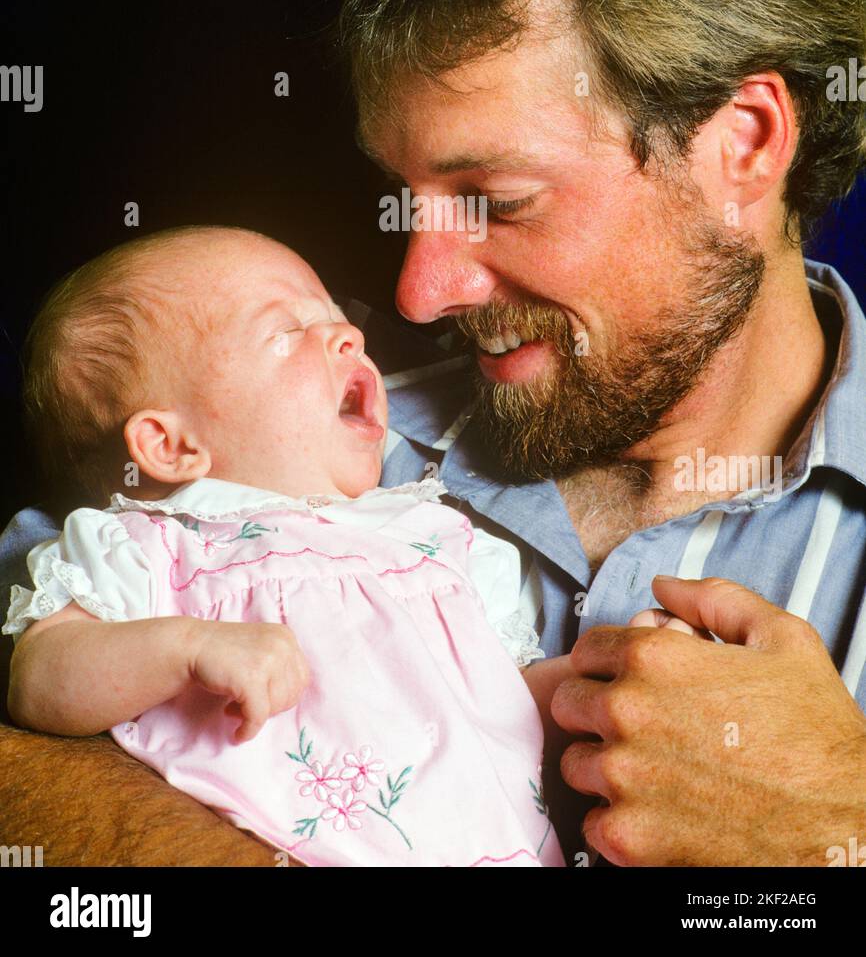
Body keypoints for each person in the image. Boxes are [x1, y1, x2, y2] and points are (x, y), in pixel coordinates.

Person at [3, 0, 866, 867]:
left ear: (744, 145)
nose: (414, 296)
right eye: (403, 197)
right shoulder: (262, 437)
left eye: (499, 200)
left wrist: (842, 829)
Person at [6, 222, 639, 868]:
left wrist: (597, 686)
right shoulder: (156, 546)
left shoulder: (442, 544)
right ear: (171, 446)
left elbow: (500, 702)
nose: (350, 336)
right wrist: (186, 648)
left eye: (335, 317)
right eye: (285, 333)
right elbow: (40, 677)